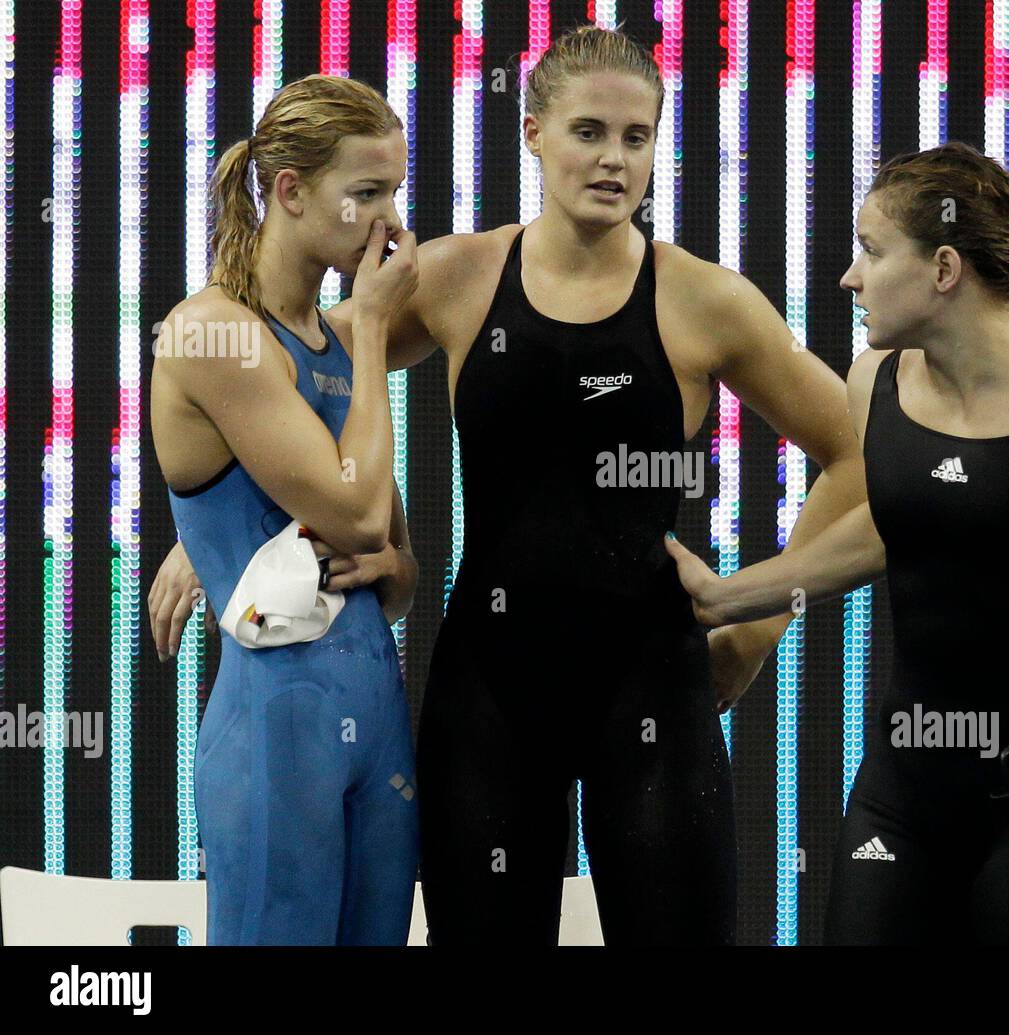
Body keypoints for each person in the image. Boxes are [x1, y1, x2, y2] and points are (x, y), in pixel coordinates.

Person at [152, 26, 867, 945]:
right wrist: (208, 527)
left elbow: (860, 454)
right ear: (533, 133)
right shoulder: (455, 275)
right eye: (588, 132)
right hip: (491, 697)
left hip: (650, 690)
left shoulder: (706, 301)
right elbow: (283, 384)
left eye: (637, 137)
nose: (614, 159)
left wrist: (762, 616)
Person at [664, 141, 1009, 945]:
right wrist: (736, 594)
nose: (848, 277)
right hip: (899, 801)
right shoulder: (876, 382)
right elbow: (901, 521)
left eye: (869, 250)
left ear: (942, 269)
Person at [148, 75, 420, 945]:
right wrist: (375, 330)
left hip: (376, 723)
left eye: (395, 195)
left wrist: (391, 567)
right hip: (277, 729)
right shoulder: (211, 332)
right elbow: (355, 512)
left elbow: (398, 568)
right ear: (290, 191)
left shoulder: (335, 341)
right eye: (365, 195)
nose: (387, 225)